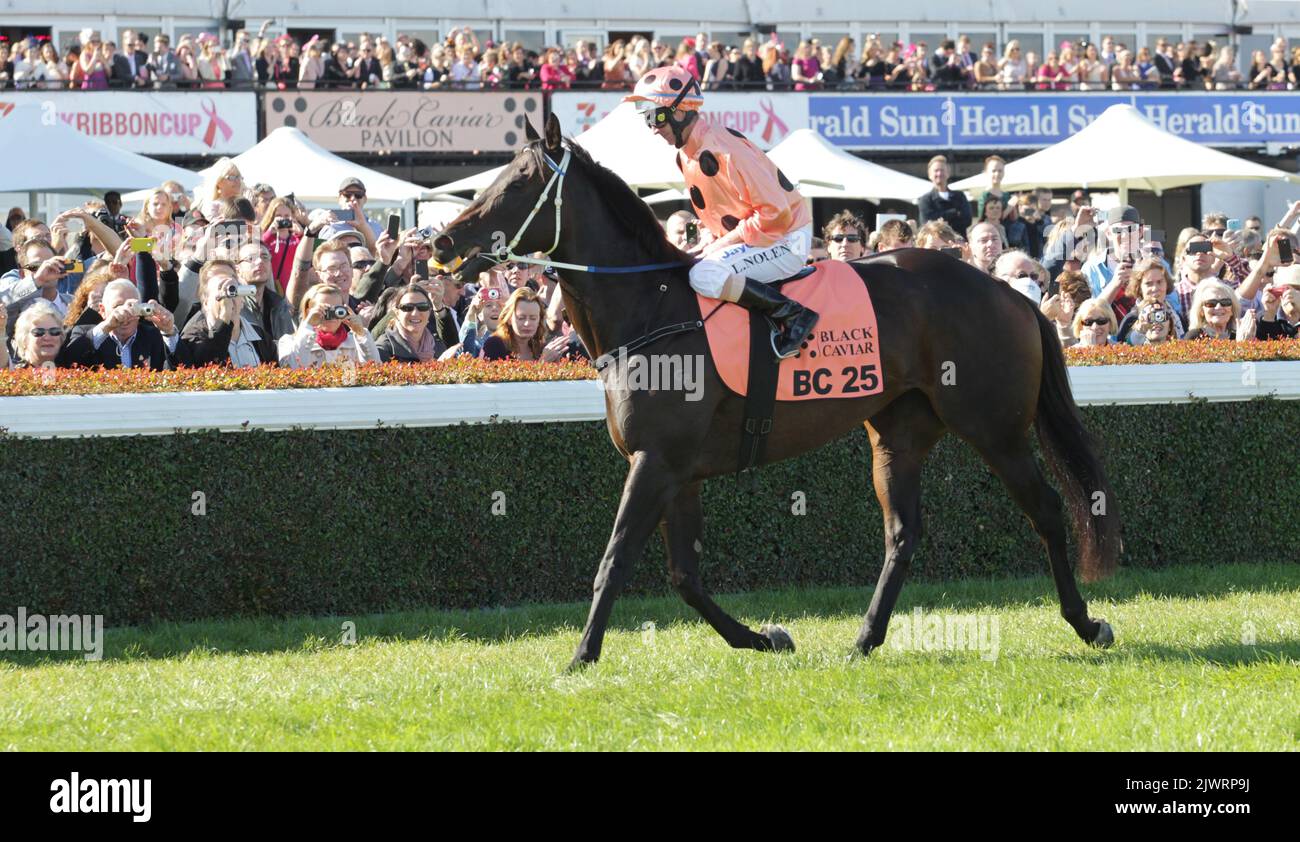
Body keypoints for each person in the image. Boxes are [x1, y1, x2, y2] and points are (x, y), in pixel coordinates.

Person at [624, 64, 816, 358]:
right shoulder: (685, 156)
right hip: (760, 237)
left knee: (703, 275)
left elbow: (776, 214)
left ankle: (792, 314)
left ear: (680, 110)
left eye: (656, 117)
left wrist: (722, 243)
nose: (653, 128)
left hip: (787, 237)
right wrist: (708, 242)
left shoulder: (725, 149)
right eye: (646, 120)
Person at [58, 279, 178, 369]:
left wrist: (169, 332)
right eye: (118, 306)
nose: (126, 312)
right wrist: (107, 327)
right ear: (102, 310)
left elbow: (183, 367)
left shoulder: (153, 336)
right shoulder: (84, 332)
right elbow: (68, 361)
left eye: (133, 307)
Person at [176, 260, 278, 367]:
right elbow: (207, 369)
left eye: (232, 288)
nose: (229, 296)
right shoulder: (194, 335)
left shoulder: (260, 336)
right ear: (205, 302)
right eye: (221, 289)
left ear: (242, 299)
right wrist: (224, 319)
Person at [278, 283, 380, 368]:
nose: (331, 316)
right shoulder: (288, 342)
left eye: (337, 310)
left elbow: (374, 371)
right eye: (325, 310)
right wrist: (308, 325)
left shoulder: (356, 342)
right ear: (309, 311)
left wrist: (361, 333)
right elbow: (291, 367)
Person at [480, 287, 571, 361]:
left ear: (539, 320)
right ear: (509, 319)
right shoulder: (495, 344)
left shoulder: (540, 348)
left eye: (533, 318)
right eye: (521, 318)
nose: (527, 323)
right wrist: (543, 363)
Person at [374, 284, 446, 363]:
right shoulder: (383, 350)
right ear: (397, 313)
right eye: (407, 307)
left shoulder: (438, 347)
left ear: (429, 311)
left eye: (422, 307)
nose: (415, 313)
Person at [1184, 280, 1255, 341]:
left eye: (1225, 302)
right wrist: (1241, 345)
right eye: (1211, 303)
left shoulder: (1240, 335)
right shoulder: (1194, 337)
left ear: (1232, 310)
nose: (1218, 307)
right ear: (1201, 311)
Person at [918, 155, 972, 233]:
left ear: (948, 173)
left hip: (959, 242)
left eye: (942, 170)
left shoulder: (960, 196)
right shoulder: (925, 200)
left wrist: (940, 219)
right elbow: (927, 224)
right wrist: (954, 213)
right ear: (929, 175)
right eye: (936, 170)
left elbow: (967, 220)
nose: (939, 173)